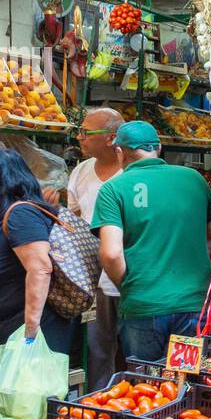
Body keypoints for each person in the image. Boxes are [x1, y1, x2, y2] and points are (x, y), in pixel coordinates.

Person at [0, 149, 78, 419]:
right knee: (25, 408)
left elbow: (40, 267)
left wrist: (31, 327)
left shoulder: (21, 214)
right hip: (20, 327)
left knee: (32, 411)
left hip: (36, 330)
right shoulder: (10, 214)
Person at [92, 121, 211, 364]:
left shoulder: (113, 189)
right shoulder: (194, 179)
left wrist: (127, 285)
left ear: (120, 152)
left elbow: (110, 253)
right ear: (158, 147)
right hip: (194, 302)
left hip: (144, 304)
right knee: (187, 384)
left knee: (149, 391)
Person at [58, 107, 125, 387]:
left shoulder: (129, 173)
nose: (80, 137)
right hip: (91, 274)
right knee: (98, 345)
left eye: (86, 132)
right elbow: (73, 217)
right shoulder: (82, 171)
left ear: (110, 138)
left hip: (126, 270)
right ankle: (101, 403)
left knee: (130, 343)